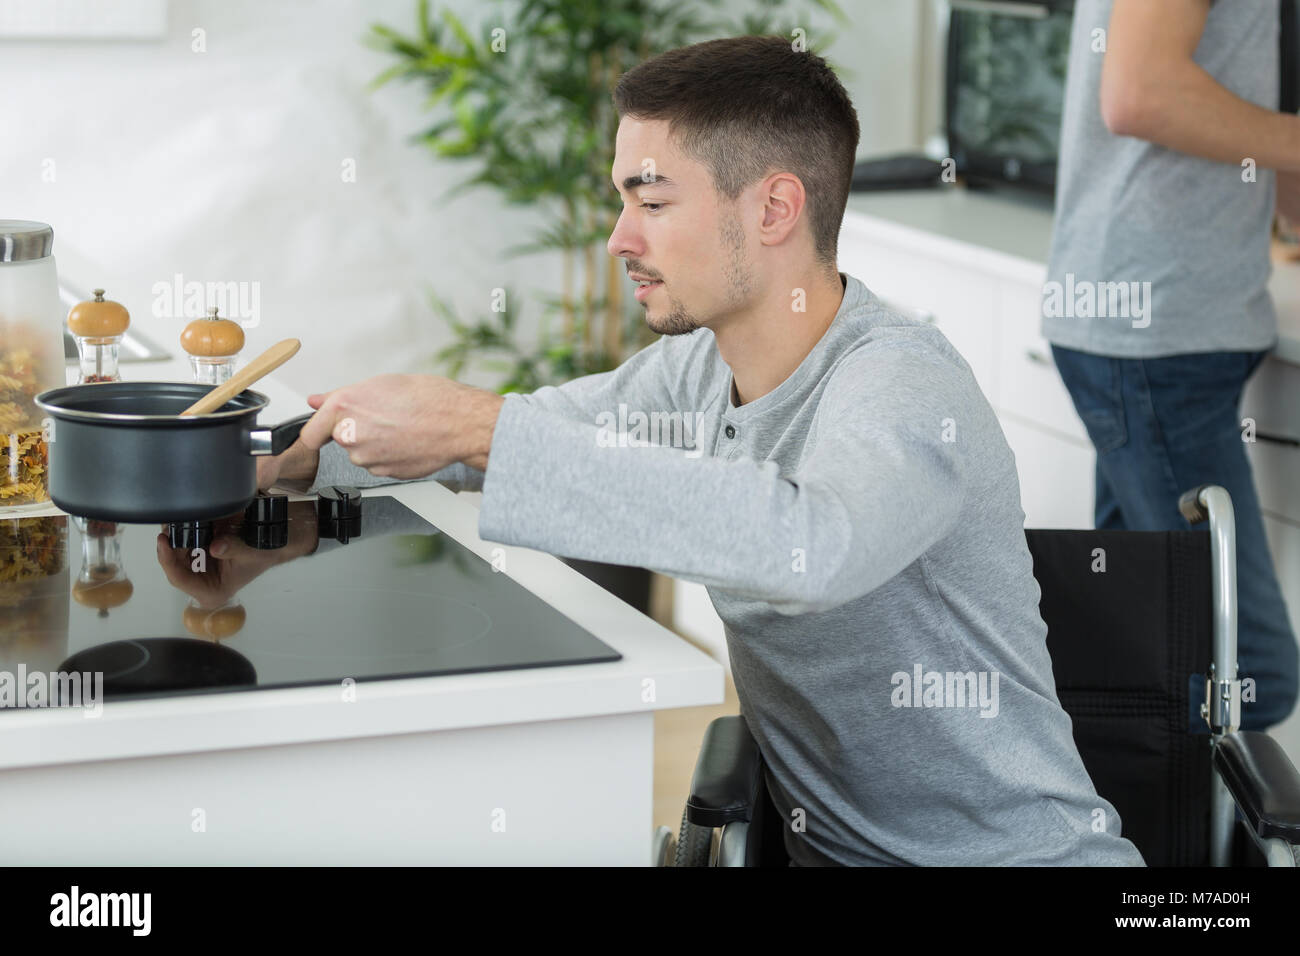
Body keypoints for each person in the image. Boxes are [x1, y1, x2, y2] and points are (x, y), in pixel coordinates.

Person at [261, 36, 1143, 866]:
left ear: (773, 208)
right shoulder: (693, 372)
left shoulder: (902, 386)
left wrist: (479, 427)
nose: (619, 238)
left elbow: (812, 545)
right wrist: (280, 461)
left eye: (651, 202)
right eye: (622, 201)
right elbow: (496, 442)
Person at [1044, 0, 1300, 730]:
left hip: (1155, 331)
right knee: (1252, 675)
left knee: (1131, 646)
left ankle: (1096, 831)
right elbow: (1141, 92)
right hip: (1156, 340)